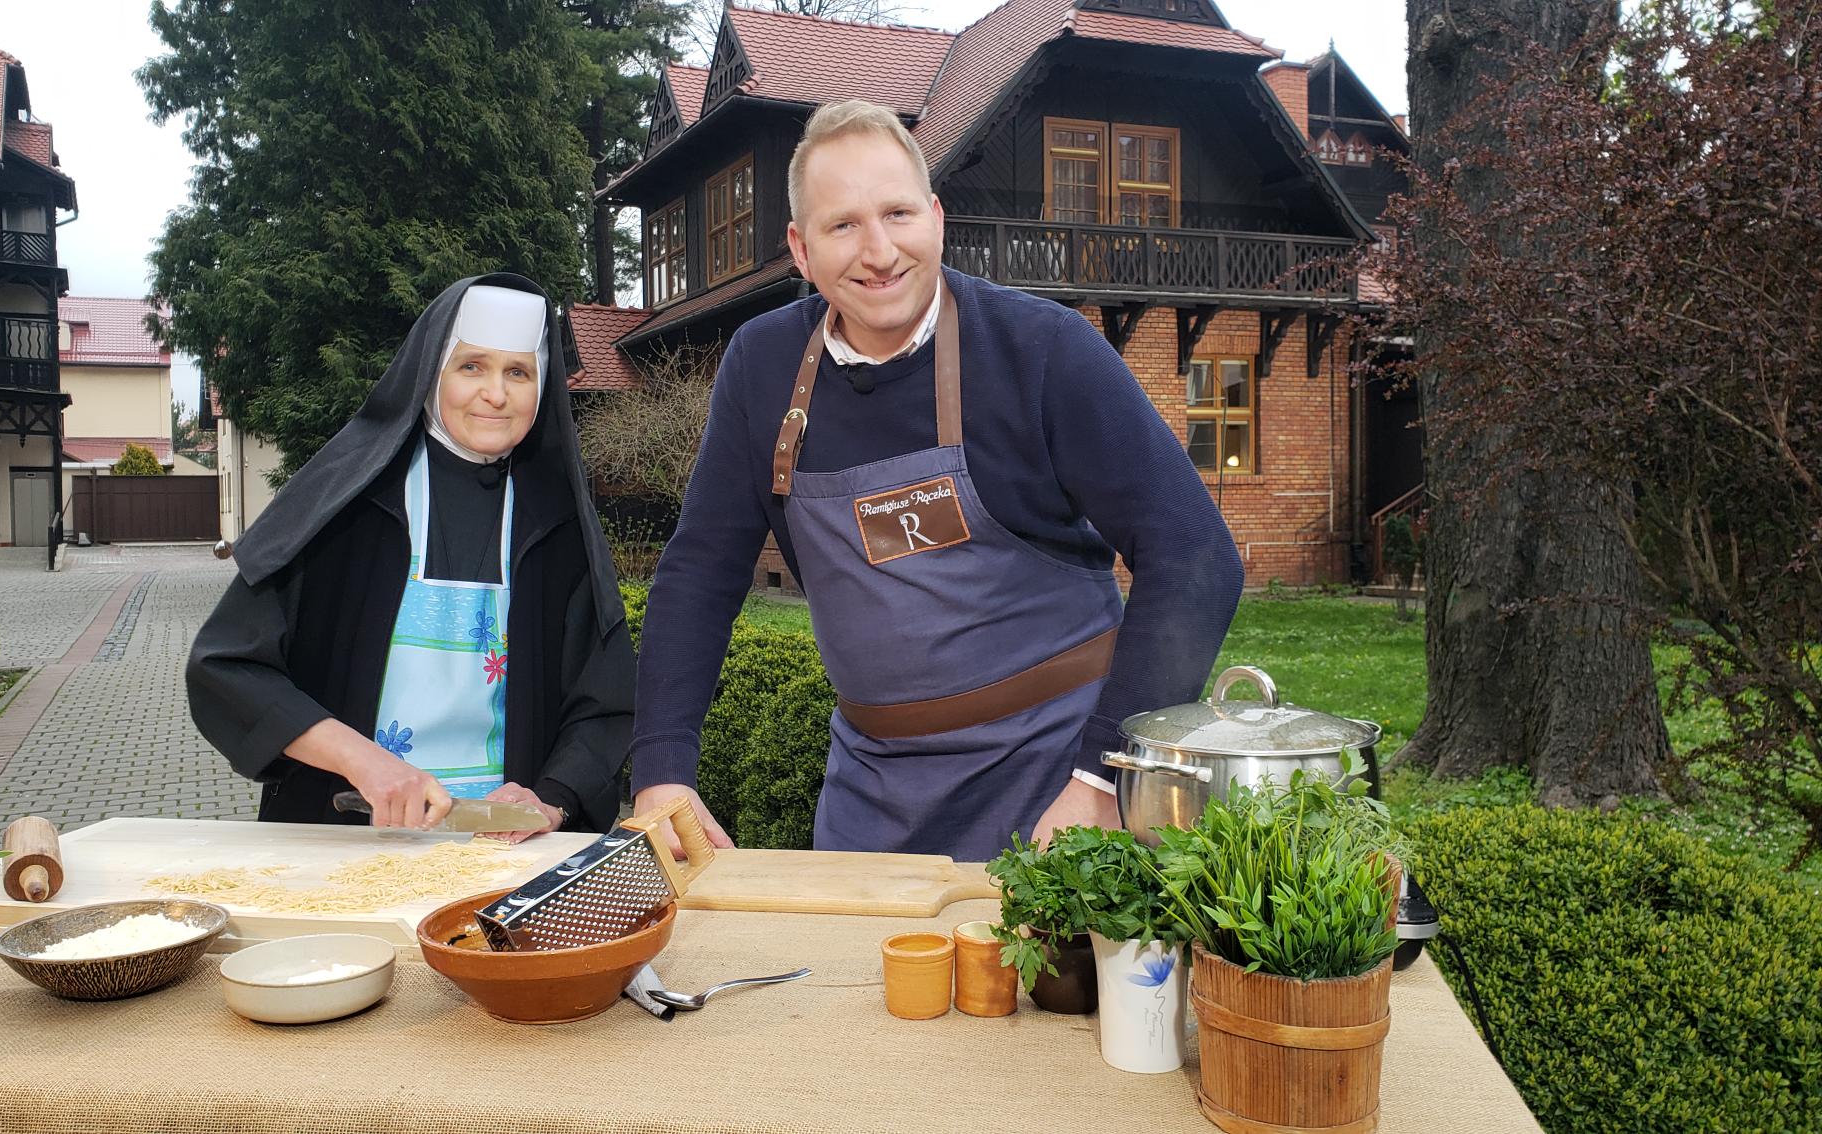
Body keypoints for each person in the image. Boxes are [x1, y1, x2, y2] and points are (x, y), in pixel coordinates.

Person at [629, 101, 1245, 861]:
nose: (880, 251)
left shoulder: (1043, 350)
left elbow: (1196, 557)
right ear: (800, 248)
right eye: (843, 225)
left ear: (937, 216)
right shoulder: (761, 368)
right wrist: (660, 771)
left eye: (898, 213)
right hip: (872, 796)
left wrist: (1105, 776)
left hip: (1058, 779)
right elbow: (698, 574)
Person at [187, 275, 633, 837]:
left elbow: (604, 703)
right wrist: (360, 758)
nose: (496, 394)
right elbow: (225, 669)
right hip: (340, 837)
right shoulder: (345, 505)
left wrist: (552, 798)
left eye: (518, 372)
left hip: (499, 852)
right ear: (431, 374)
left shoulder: (559, 525)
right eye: (472, 366)